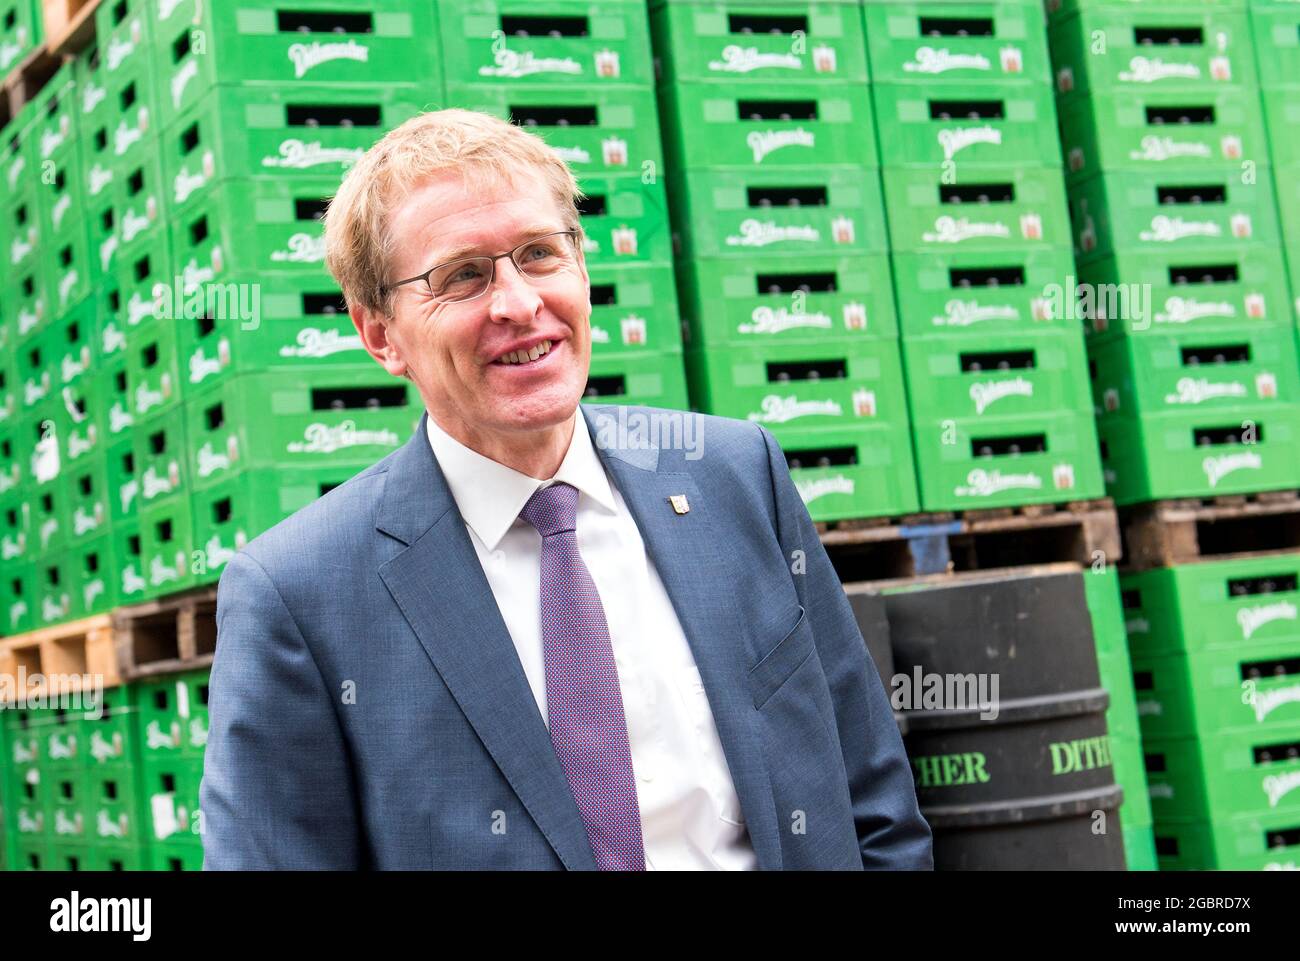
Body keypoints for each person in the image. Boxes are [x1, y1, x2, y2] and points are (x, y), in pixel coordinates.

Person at [200, 109, 932, 870]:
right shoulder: (299, 596)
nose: (518, 303)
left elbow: (873, 798)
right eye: (463, 276)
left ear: (581, 270)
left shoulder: (735, 476)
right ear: (379, 333)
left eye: (540, 254)